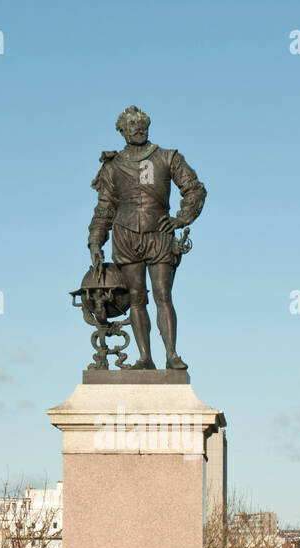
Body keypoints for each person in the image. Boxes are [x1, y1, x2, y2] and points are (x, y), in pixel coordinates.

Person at [88, 105, 206, 370]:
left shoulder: (167, 157)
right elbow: (105, 207)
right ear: (122, 130)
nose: (138, 129)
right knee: (136, 298)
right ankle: (144, 358)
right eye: (132, 125)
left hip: (159, 232)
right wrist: (96, 241)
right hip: (125, 236)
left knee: (163, 296)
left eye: (142, 124)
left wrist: (183, 217)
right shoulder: (113, 166)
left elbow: (194, 189)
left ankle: (172, 354)